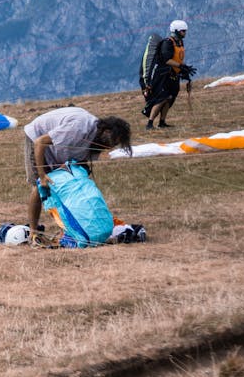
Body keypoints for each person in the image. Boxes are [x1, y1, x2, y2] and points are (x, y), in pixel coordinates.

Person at [24, 107, 131, 241]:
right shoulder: (78, 128)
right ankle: (33, 233)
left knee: (67, 187)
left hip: (59, 148)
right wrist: (42, 175)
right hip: (37, 137)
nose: (111, 146)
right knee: (40, 187)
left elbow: (80, 166)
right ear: (106, 130)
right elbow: (40, 142)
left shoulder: (98, 142)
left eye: (115, 144)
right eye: (113, 141)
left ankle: (70, 229)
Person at [144, 20, 195, 130]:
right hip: (163, 75)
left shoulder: (180, 43)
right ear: (176, 31)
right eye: (182, 31)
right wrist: (181, 66)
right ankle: (150, 123)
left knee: (170, 98)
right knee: (162, 98)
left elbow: (177, 58)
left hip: (173, 75)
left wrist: (184, 69)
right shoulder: (167, 43)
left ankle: (162, 122)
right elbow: (167, 60)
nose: (184, 33)